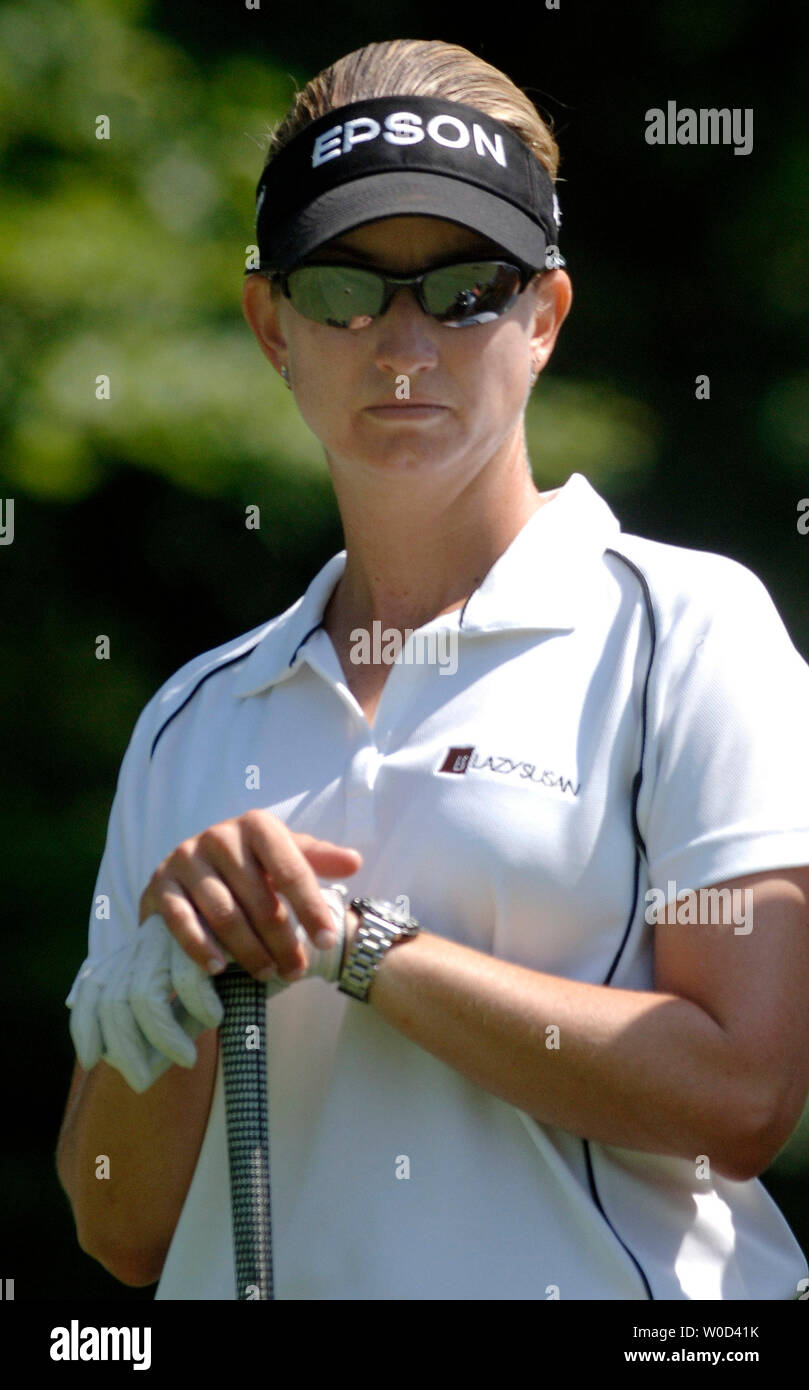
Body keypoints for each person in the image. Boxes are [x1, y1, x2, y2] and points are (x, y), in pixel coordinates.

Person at [56, 37, 809, 1301]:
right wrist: (177, 962)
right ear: (270, 325)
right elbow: (116, 1229)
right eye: (343, 288)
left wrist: (356, 947)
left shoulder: (687, 629)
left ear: (544, 318)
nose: (402, 341)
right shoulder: (191, 717)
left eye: (464, 287)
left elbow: (739, 1095)